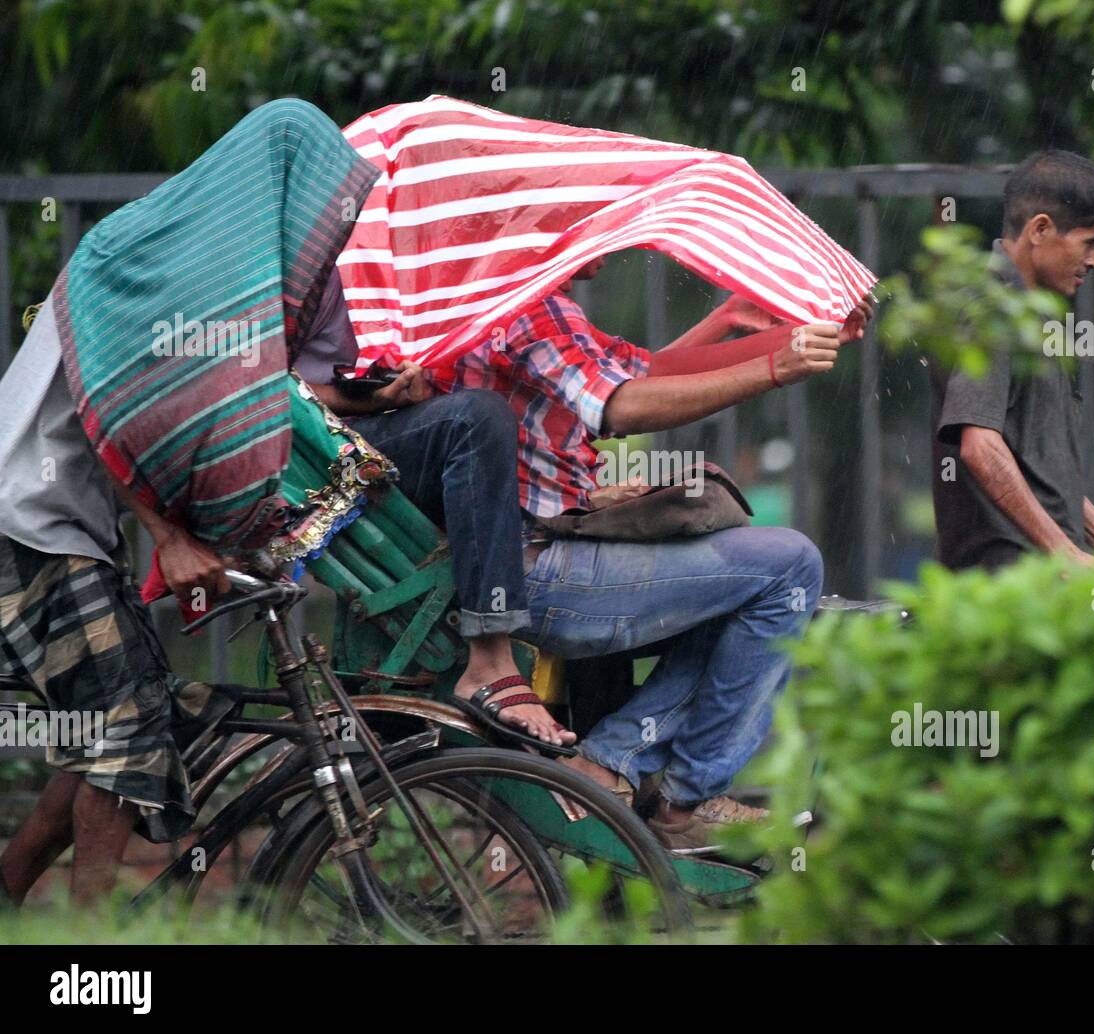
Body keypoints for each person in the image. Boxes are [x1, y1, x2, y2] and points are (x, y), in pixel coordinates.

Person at [0, 99, 376, 907]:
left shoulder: (195, 262)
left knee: (124, 720)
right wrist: (168, 535)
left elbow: (200, 403)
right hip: (22, 515)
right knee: (129, 720)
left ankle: (11, 889)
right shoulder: (144, 250)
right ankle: (86, 943)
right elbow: (125, 395)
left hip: (58, 519)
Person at [430, 256, 873, 851]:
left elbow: (643, 371)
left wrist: (757, 330)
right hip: (535, 571)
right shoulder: (532, 305)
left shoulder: (499, 294)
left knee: (755, 577)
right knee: (790, 566)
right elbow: (622, 406)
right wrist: (776, 364)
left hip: (517, 560)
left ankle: (622, 765)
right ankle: (676, 794)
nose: (614, 245)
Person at [295, 270, 575, 749]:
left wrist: (377, 393)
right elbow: (256, 388)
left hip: (353, 424)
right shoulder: (274, 260)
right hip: (307, 450)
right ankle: (489, 658)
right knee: (476, 419)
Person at [930, 149, 1094, 572]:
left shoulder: (1028, 314)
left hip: (1044, 575)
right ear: (1041, 229)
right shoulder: (991, 310)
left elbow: (1039, 469)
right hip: (1010, 584)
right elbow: (980, 447)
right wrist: (1064, 553)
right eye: (1090, 243)